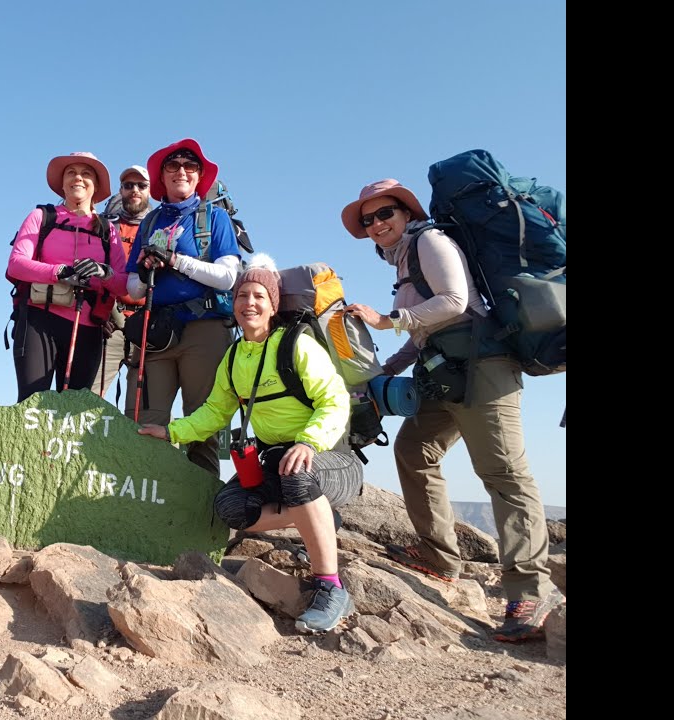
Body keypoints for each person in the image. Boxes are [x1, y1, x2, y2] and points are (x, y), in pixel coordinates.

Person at [341, 179, 562, 643]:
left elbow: (457, 302)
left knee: (502, 471)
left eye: (385, 214)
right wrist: (380, 370)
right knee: (414, 449)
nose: (377, 224)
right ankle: (439, 556)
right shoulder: (402, 259)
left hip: (484, 366)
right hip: (443, 371)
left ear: (405, 212)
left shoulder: (430, 241)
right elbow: (425, 332)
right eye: (369, 219)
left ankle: (530, 587)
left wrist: (387, 320)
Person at [138, 260, 363, 633]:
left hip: (331, 457)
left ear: (273, 305)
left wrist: (309, 442)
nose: (250, 303)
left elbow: (335, 400)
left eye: (259, 295)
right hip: (277, 460)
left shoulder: (297, 346)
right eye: (242, 295)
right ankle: (321, 518)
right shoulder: (234, 357)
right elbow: (214, 411)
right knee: (230, 508)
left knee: (298, 478)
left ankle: (330, 586)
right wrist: (172, 432)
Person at [125, 138, 240, 475]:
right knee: (144, 421)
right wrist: (146, 268)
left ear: (199, 175)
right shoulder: (150, 222)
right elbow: (133, 286)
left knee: (202, 423)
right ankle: (148, 503)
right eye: (173, 165)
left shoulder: (214, 218)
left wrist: (175, 261)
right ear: (162, 175)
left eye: (190, 166)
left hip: (205, 328)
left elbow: (228, 277)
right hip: (158, 330)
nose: (182, 171)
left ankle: (201, 512)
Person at [6, 151, 129, 401]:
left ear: (96, 187)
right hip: (38, 319)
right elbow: (16, 265)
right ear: (62, 184)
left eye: (86, 174)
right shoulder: (41, 216)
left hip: (87, 326)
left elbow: (123, 284)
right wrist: (59, 272)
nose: (78, 178)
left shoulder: (109, 231)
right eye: (71, 173)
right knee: (32, 403)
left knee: (73, 410)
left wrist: (104, 273)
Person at [93, 165, 153, 399]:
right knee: (87, 399)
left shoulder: (162, 227)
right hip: (109, 326)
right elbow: (94, 274)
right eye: (128, 186)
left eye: (141, 185)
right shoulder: (105, 227)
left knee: (143, 409)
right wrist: (99, 315)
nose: (135, 190)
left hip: (148, 327)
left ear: (150, 190)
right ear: (121, 189)